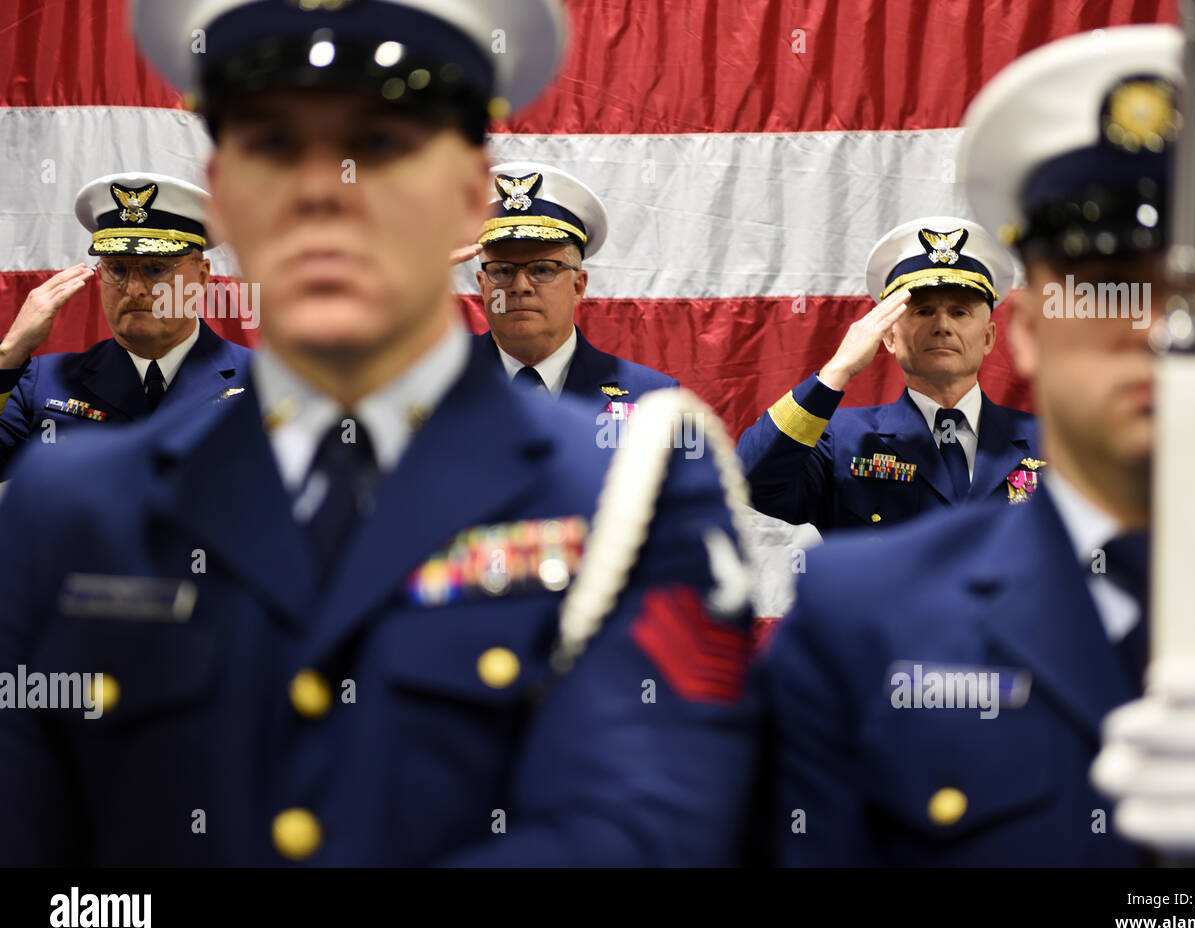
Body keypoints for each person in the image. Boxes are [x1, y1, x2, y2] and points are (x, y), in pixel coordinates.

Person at [0, 0, 756, 866]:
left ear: (473, 197)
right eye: (275, 145)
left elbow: (644, 832)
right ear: (229, 194)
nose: (328, 187)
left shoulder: (637, 493)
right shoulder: (71, 512)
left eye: (383, 144)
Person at [767, 24, 1195, 866]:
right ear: (1032, 331)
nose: (1160, 325)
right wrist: (835, 369)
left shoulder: (1020, 440)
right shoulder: (856, 619)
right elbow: (762, 480)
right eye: (1104, 281)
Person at [736, 216, 1038, 533]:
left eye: (959, 312)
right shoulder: (842, 441)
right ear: (889, 337)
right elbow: (751, 479)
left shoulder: (1048, 443)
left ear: (989, 338)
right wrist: (838, 369)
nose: (942, 326)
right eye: (922, 311)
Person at [0, 172, 251, 476]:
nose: (134, 289)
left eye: (156, 269)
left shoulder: (262, 382)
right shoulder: (44, 382)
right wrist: (10, 352)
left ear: (201, 276)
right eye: (116, 269)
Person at [472, 161, 676, 411]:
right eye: (502, 271)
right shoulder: (429, 388)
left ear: (578, 286)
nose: (520, 286)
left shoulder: (654, 402)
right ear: (483, 286)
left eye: (542, 270)